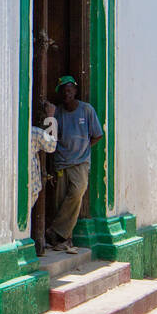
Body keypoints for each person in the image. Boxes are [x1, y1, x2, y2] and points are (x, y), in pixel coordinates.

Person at [43, 75, 103, 253]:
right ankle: (64, 239)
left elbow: (97, 134)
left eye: (69, 89)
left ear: (75, 91)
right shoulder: (59, 112)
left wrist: (84, 148)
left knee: (77, 193)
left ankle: (54, 232)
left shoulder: (86, 110)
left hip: (80, 162)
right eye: (63, 90)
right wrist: (50, 116)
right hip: (61, 162)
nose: (66, 93)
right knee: (61, 201)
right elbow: (49, 137)